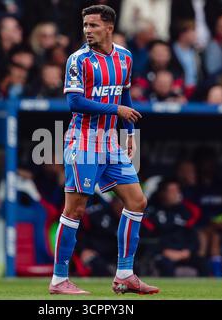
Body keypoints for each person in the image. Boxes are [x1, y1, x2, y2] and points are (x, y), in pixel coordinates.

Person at [49, 4, 158, 295]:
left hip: (111, 142)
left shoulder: (125, 57)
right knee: (76, 208)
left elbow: (124, 95)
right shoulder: (78, 60)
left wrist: (131, 132)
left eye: (93, 25)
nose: (87, 30)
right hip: (83, 141)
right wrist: (117, 110)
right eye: (85, 25)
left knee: (137, 201)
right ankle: (59, 279)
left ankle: (125, 274)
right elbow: (75, 102)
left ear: (109, 27)